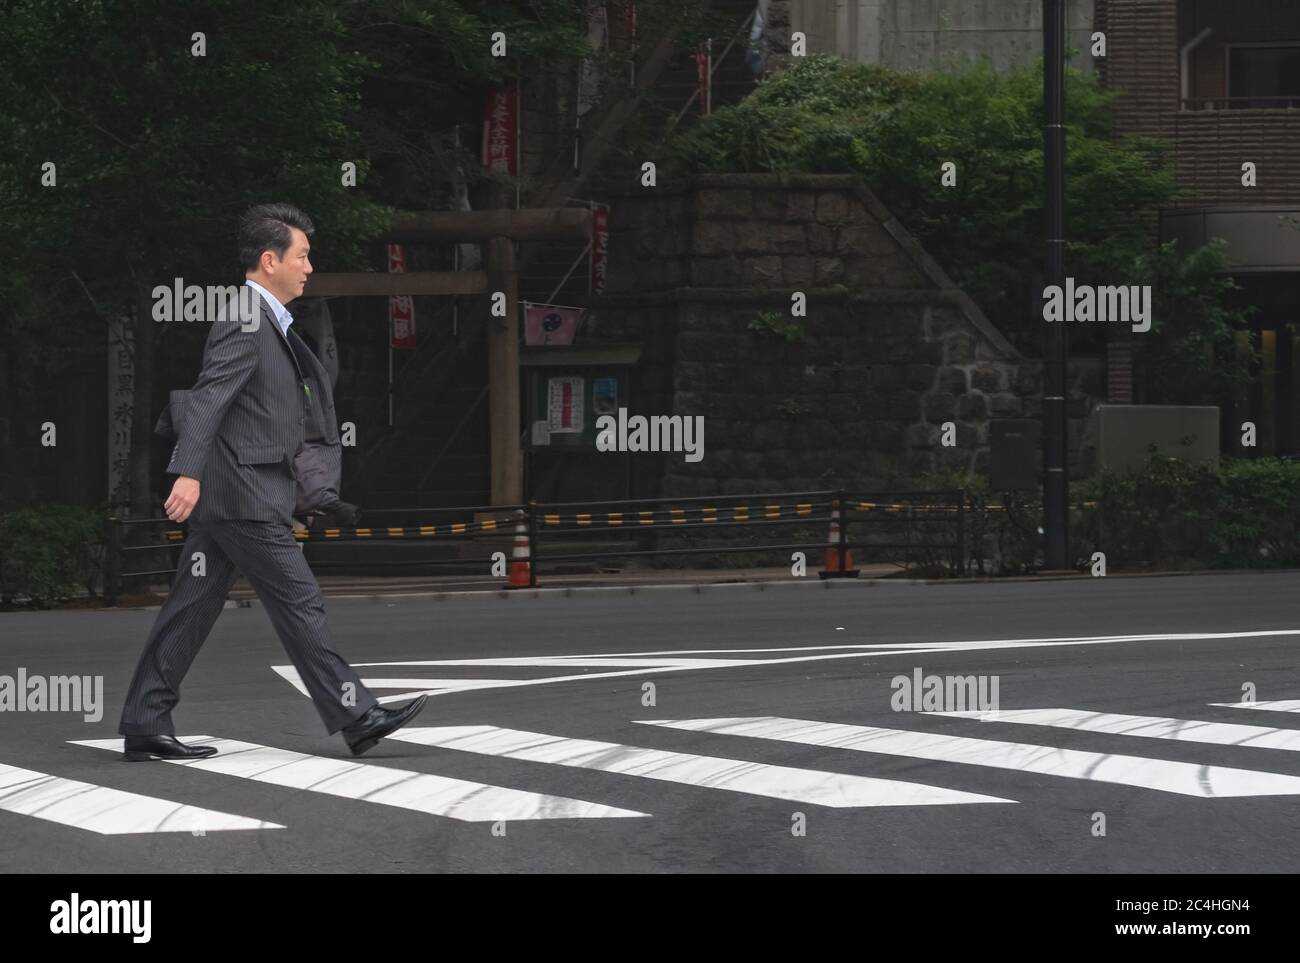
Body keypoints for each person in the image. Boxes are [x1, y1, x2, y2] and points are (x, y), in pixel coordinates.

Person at [117, 203, 425, 760]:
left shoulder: (268, 321)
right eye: (302, 255)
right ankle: (356, 714)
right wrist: (187, 472)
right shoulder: (244, 318)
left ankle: (145, 720)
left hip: (242, 491)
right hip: (246, 496)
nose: (309, 267)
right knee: (300, 599)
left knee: (191, 607)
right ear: (269, 260)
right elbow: (210, 398)